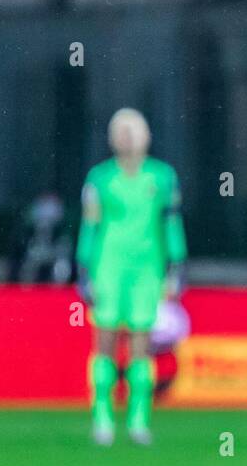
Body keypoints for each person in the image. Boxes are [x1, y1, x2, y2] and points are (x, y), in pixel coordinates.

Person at [76, 108, 187, 446]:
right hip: (108, 265)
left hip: (147, 269)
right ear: (111, 137)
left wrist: (176, 265)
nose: (126, 136)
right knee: (105, 340)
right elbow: (90, 225)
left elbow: (171, 223)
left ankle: (139, 418)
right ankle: (102, 416)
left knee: (142, 342)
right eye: (120, 130)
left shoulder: (163, 177)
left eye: (133, 130)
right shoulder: (99, 179)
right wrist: (83, 267)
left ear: (146, 136)